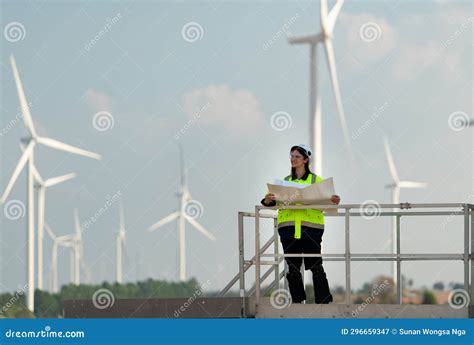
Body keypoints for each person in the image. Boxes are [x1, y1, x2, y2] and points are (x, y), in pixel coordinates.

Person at [261, 144, 340, 304]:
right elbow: (269, 202)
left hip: (311, 228)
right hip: (288, 229)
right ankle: (297, 303)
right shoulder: (284, 182)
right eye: (291, 156)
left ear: (305, 159)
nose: (293, 159)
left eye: (297, 156)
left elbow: (329, 200)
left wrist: (335, 200)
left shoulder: (316, 181)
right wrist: (267, 200)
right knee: (293, 269)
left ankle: (324, 302)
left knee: (316, 267)